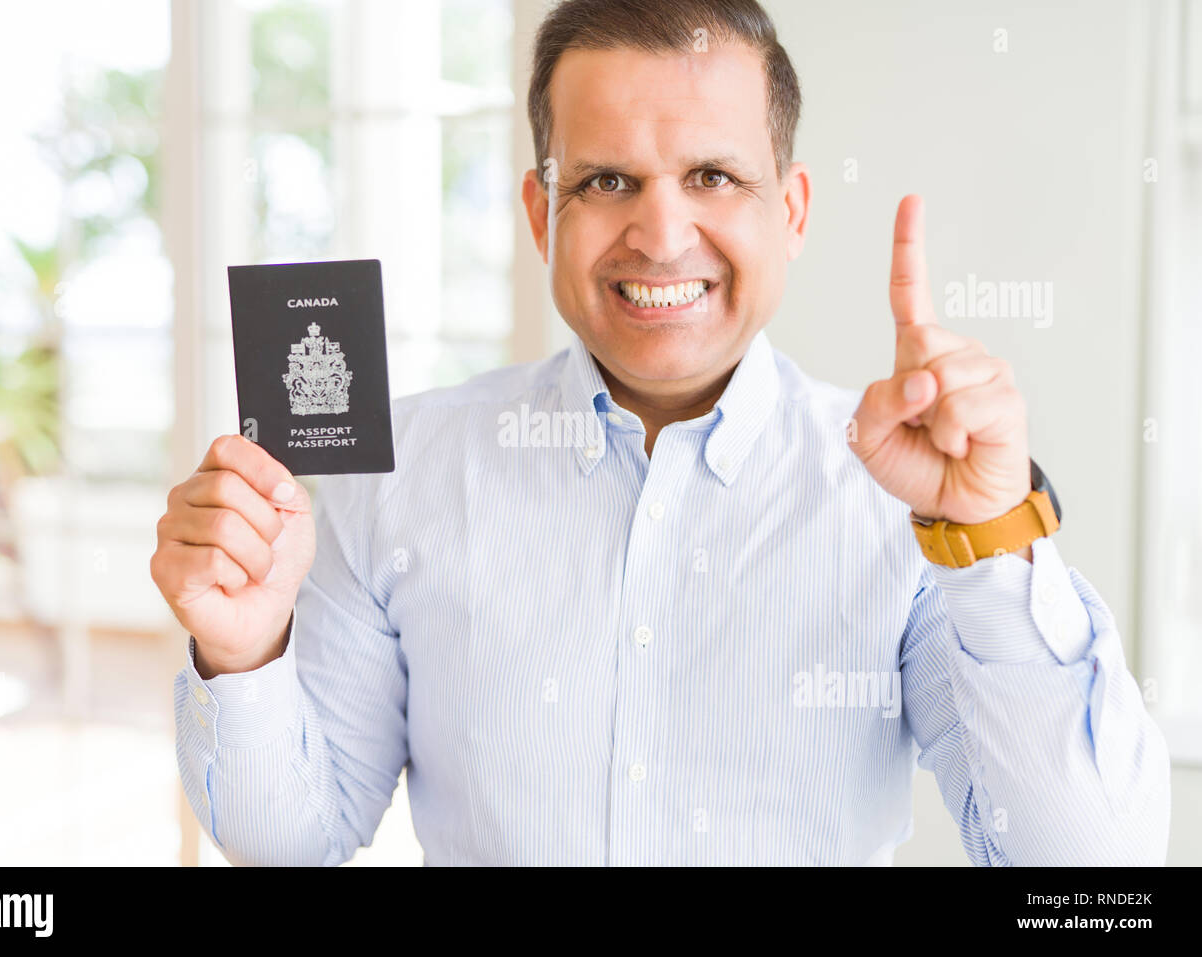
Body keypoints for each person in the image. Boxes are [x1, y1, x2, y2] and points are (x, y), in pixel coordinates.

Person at [150, 0, 1170, 865]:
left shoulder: (908, 502)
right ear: (540, 216)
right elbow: (294, 839)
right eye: (604, 181)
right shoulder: (397, 476)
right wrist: (243, 652)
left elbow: (1087, 872)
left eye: (714, 177)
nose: (662, 233)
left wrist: (991, 536)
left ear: (793, 211)